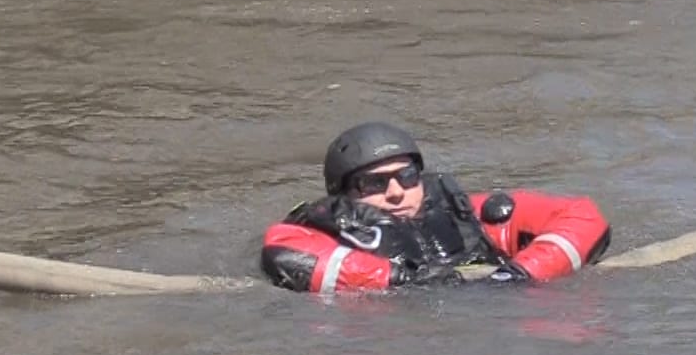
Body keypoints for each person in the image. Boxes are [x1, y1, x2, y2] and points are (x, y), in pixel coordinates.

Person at [260, 122, 611, 294]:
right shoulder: (323, 233)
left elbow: (584, 217)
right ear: (344, 194)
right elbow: (282, 251)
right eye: (375, 184)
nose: (396, 192)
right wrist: (402, 279)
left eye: (407, 176)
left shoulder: (466, 216)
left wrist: (520, 273)